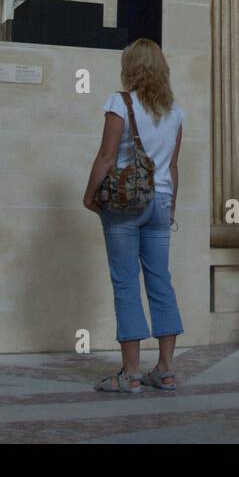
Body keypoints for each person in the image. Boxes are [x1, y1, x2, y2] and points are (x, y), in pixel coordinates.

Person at [82, 39, 184, 394]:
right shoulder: (174, 112)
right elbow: (172, 165)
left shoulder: (119, 102)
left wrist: (89, 193)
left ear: (131, 66)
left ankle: (130, 373)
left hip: (126, 204)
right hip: (160, 202)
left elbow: (107, 156)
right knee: (161, 281)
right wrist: (171, 204)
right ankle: (167, 369)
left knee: (126, 283)